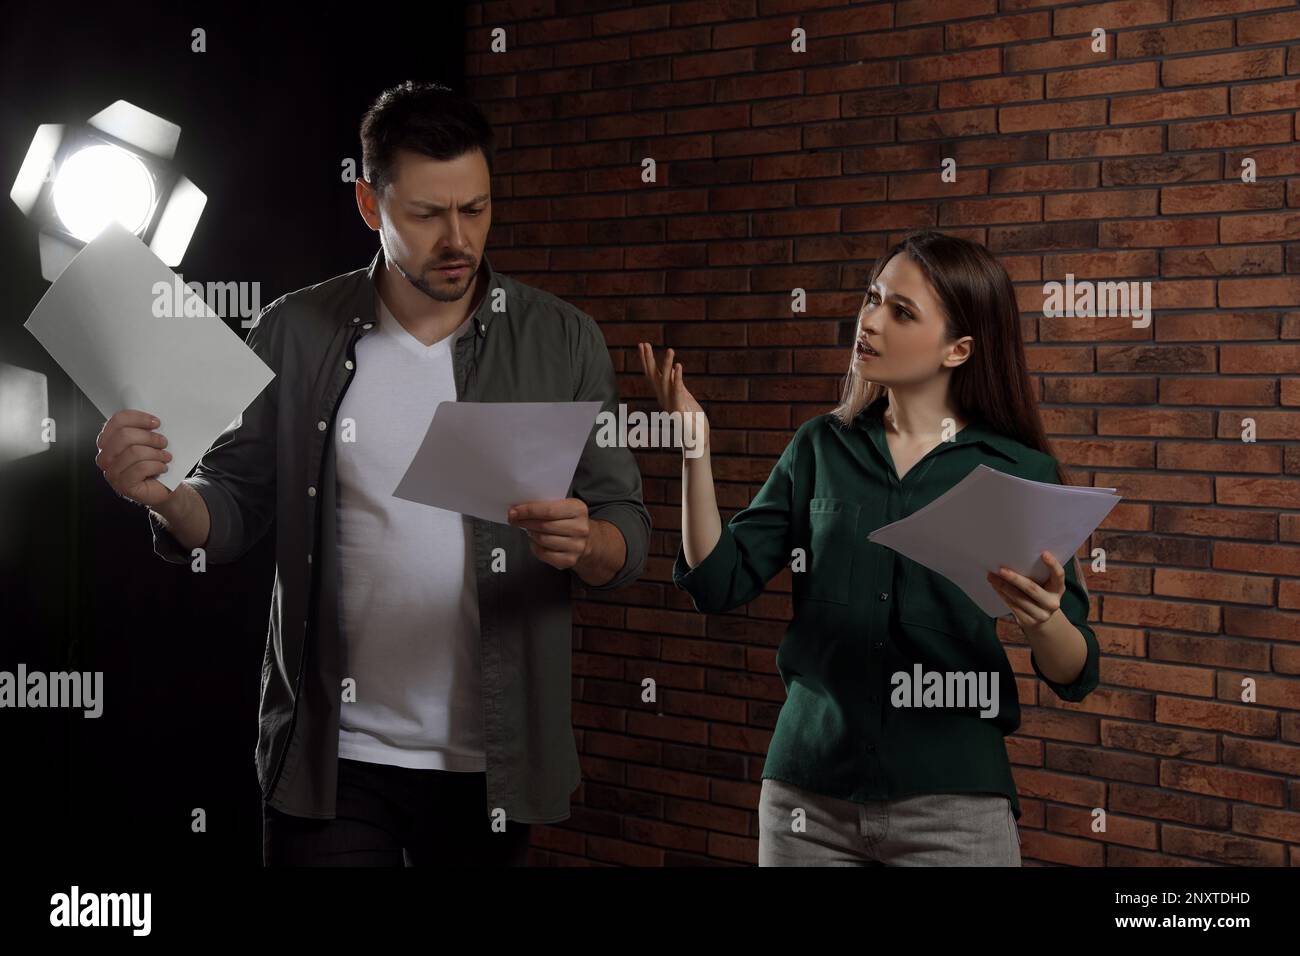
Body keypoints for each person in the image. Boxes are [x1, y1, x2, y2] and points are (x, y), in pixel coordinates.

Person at [94, 81, 651, 866]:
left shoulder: (563, 341)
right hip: (333, 758)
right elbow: (231, 511)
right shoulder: (293, 329)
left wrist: (586, 541)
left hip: (490, 761)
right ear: (368, 203)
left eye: (477, 209)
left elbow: (628, 529)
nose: (457, 238)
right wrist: (164, 497)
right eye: (426, 215)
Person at [641, 229, 1100, 866]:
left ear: (958, 349)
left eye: (901, 311)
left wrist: (1045, 620)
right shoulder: (819, 448)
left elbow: (1074, 670)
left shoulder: (1018, 473)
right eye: (872, 298)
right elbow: (719, 582)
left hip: (955, 805)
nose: (870, 321)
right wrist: (695, 451)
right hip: (807, 801)